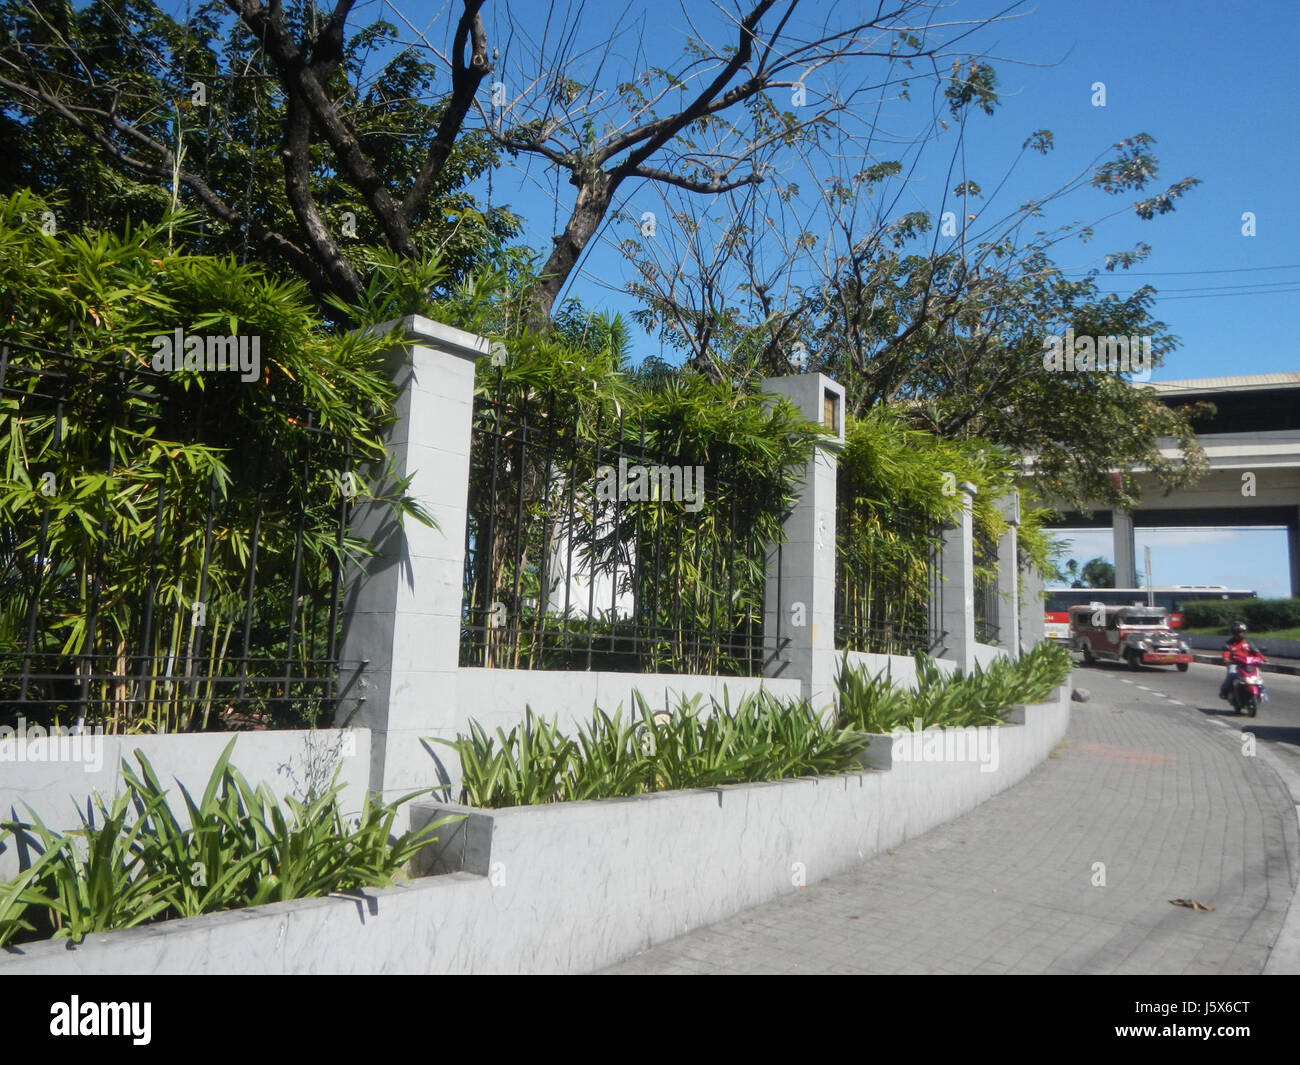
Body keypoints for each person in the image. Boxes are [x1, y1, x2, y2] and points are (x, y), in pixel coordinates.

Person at [1219, 622, 1262, 699]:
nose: (1240, 634)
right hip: (1235, 664)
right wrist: (1226, 659)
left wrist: (1262, 658)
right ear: (1234, 633)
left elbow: (1256, 651)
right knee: (1231, 675)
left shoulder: (1248, 642)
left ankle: (1262, 693)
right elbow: (1226, 653)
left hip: (1248, 664)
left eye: (1242, 632)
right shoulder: (1229, 643)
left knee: (1258, 678)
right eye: (1238, 632)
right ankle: (1224, 691)